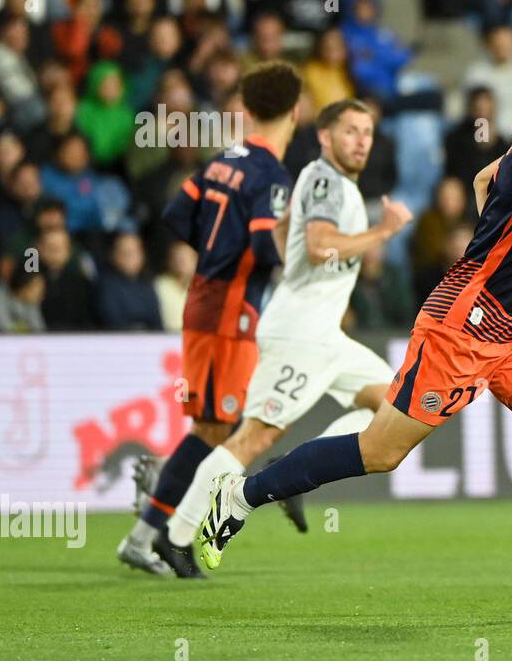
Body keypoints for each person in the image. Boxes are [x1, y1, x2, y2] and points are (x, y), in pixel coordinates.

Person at [196, 42, 512, 617]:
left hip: (508, 324)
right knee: (381, 451)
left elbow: (488, 182)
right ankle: (239, 495)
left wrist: (511, 263)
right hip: (464, 323)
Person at [160, 99, 413, 560]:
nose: (361, 141)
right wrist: (384, 232)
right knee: (251, 437)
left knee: (392, 406)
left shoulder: (325, 183)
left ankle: (293, 470)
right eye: (350, 131)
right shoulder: (324, 180)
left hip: (325, 335)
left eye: (367, 133)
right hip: (299, 334)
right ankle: (174, 539)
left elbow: (284, 236)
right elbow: (319, 247)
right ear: (324, 136)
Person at [116, 61, 299, 578]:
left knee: (218, 426)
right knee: (217, 427)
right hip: (229, 311)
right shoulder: (270, 174)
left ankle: (159, 530)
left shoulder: (223, 161)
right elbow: (265, 243)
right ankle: (152, 534)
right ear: (295, 110)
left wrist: (213, 252)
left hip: (207, 298)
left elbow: (176, 215)